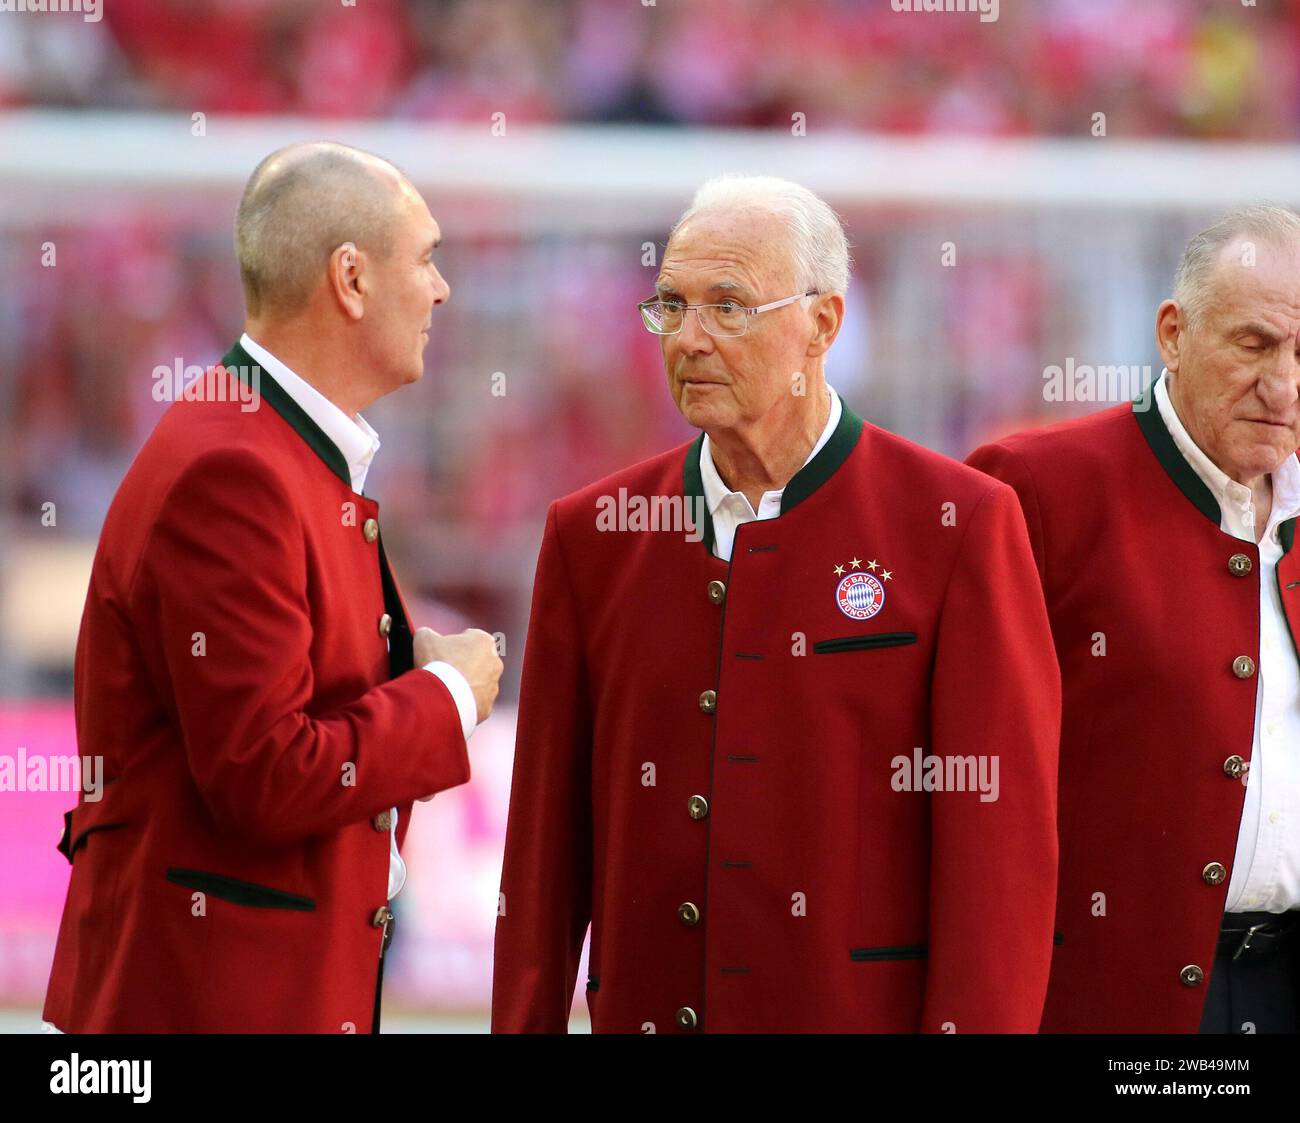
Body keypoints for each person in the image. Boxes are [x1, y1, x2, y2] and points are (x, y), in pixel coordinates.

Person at [492, 175, 1060, 1033]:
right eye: (670, 305)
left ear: (822, 324)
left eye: (728, 306)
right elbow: (542, 858)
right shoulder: (592, 537)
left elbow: (1000, 860)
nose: (689, 339)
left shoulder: (959, 525)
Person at [41, 142, 502, 1033]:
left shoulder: (271, 445)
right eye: (427, 257)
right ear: (351, 280)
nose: (442, 289)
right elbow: (262, 774)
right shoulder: (236, 469)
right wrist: (447, 697)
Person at [968, 205, 1300, 1033]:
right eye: (1255, 345)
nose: (1283, 384)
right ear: (1173, 333)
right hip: (1107, 1001)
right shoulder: (1034, 489)